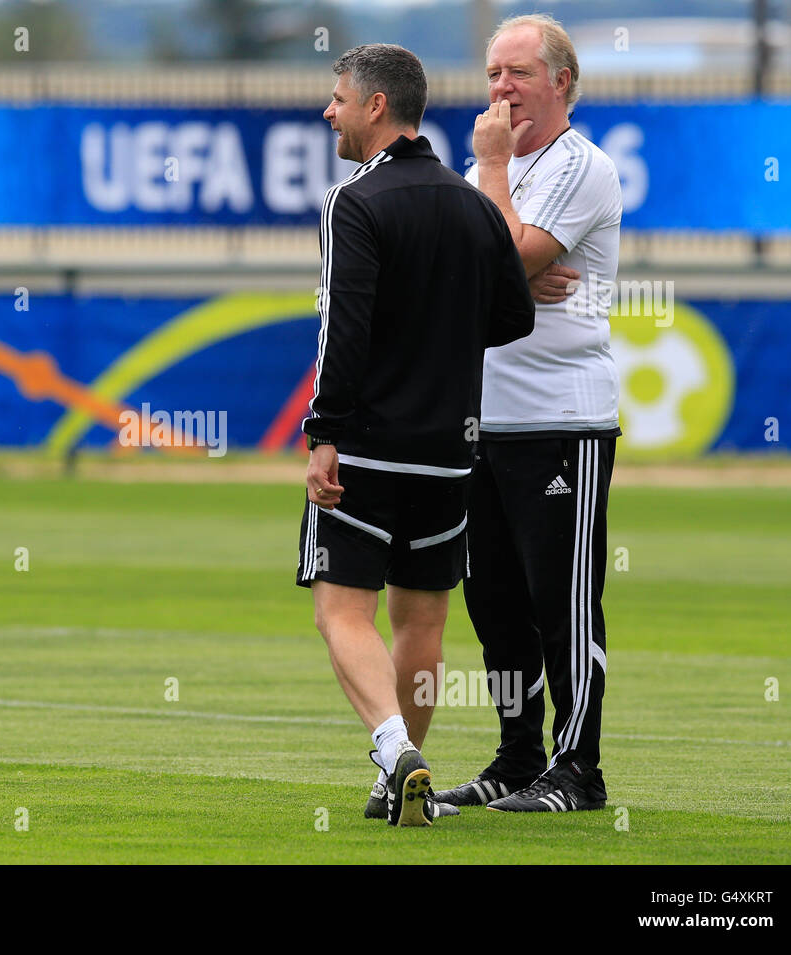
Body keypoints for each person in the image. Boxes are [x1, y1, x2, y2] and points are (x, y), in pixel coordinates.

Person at [297, 43, 534, 827]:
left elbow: (344, 326)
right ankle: (394, 787)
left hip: (364, 442)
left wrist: (323, 431)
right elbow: (515, 316)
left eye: (337, 97)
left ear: (375, 107)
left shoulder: (352, 202)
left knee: (342, 611)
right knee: (424, 618)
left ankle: (395, 750)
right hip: (449, 451)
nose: (328, 110)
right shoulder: (470, 202)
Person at [431, 14, 623, 813]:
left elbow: (506, 260)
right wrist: (495, 270)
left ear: (562, 83)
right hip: (484, 419)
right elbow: (448, 278)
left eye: (518, 73)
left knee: (561, 602)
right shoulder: (489, 179)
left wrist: (494, 192)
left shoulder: (581, 167)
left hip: (560, 418)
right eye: (492, 75)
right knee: (496, 607)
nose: (501, 89)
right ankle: (517, 757)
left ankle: (577, 769)